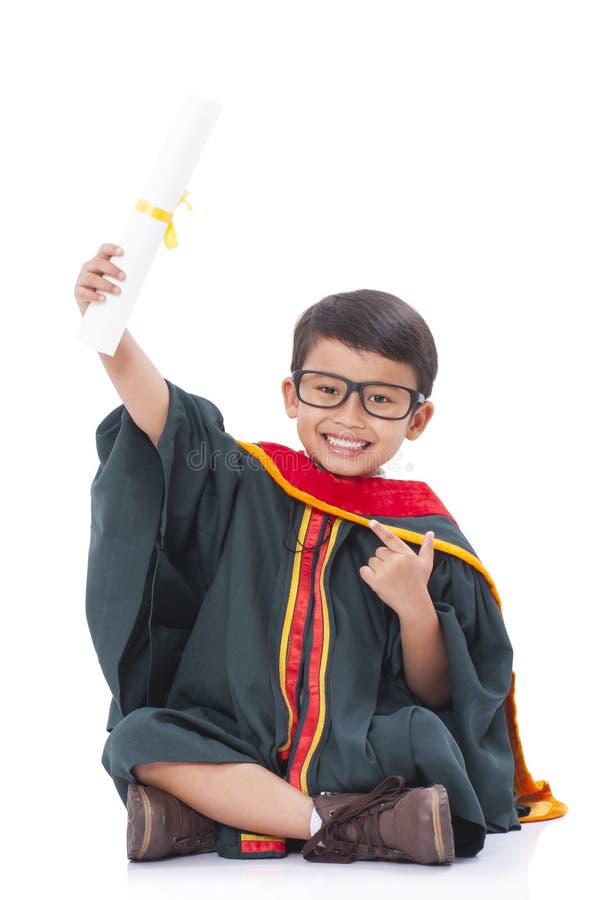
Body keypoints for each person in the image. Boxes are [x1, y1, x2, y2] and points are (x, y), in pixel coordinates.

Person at [75, 243, 565, 866]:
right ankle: (347, 823)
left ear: (417, 420)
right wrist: (108, 329)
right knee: (139, 737)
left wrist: (415, 606)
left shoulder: (418, 530)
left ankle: (207, 815)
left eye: (381, 399)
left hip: (361, 745)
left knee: (428, 742)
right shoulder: (247, 478)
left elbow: (443, 689)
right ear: (291, 395)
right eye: (328, 390)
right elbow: (164, 420)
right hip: (239, 732)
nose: (350, 417)